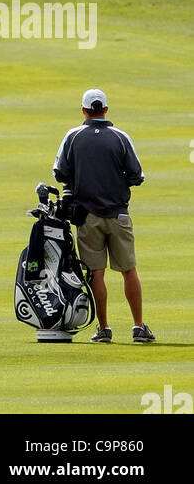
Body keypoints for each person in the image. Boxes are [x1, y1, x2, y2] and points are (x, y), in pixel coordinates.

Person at [53, 88, 154, 344]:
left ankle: (104, 328)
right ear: (106, 109)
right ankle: (138, 327)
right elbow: (137, 177)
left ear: (84, 110)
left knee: (96, 274)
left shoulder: (73, 136)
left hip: (87, 217)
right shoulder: (120, 137)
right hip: (118, 214)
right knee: (129, 270)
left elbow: (59, 173)